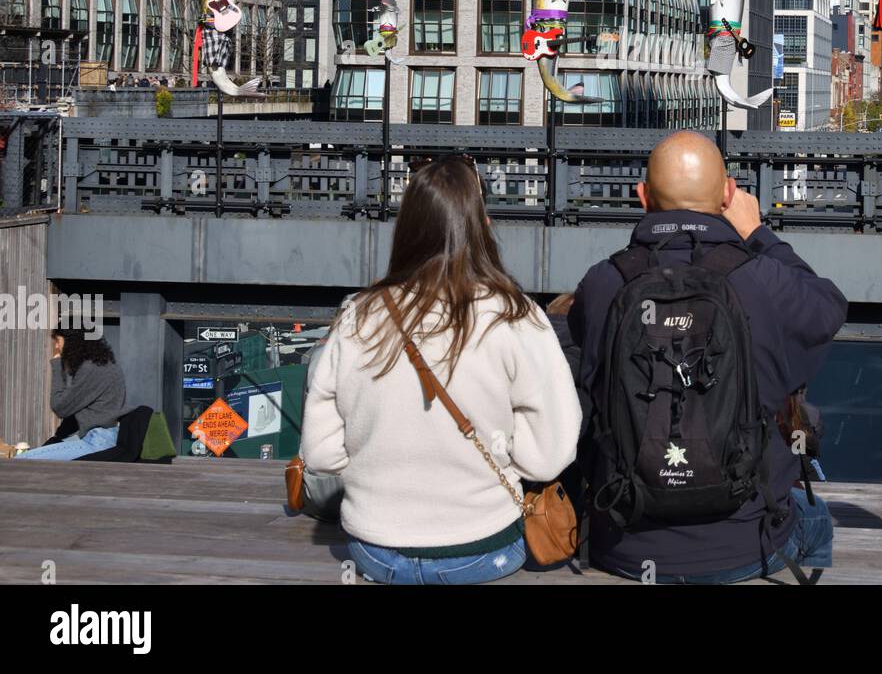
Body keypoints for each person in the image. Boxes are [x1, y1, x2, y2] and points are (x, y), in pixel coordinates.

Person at [569, 131, 848, 584]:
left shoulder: (602, 284)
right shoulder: (763, 280)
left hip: (623, 542)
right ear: (728, 193)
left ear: (642, 196)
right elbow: (828, 307)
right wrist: (759, 235)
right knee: (814, 516)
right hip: (746, 545)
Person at [301, 156, 581, 585]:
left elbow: (320, 453)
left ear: (406, 228)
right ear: (482, 225)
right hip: (483, 544)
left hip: (375, 548)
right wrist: (503, 448)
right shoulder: (514, 315)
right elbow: (551, 452)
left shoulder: (358, 316)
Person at [17, 328, 126, 461]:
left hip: (97, 442)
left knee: (21, 460)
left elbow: (60, 407)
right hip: (101, 437)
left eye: (58, 341)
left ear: (72, 341)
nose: (56, 346)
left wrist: (57, 365)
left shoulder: (92, 369)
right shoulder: (107, 365)